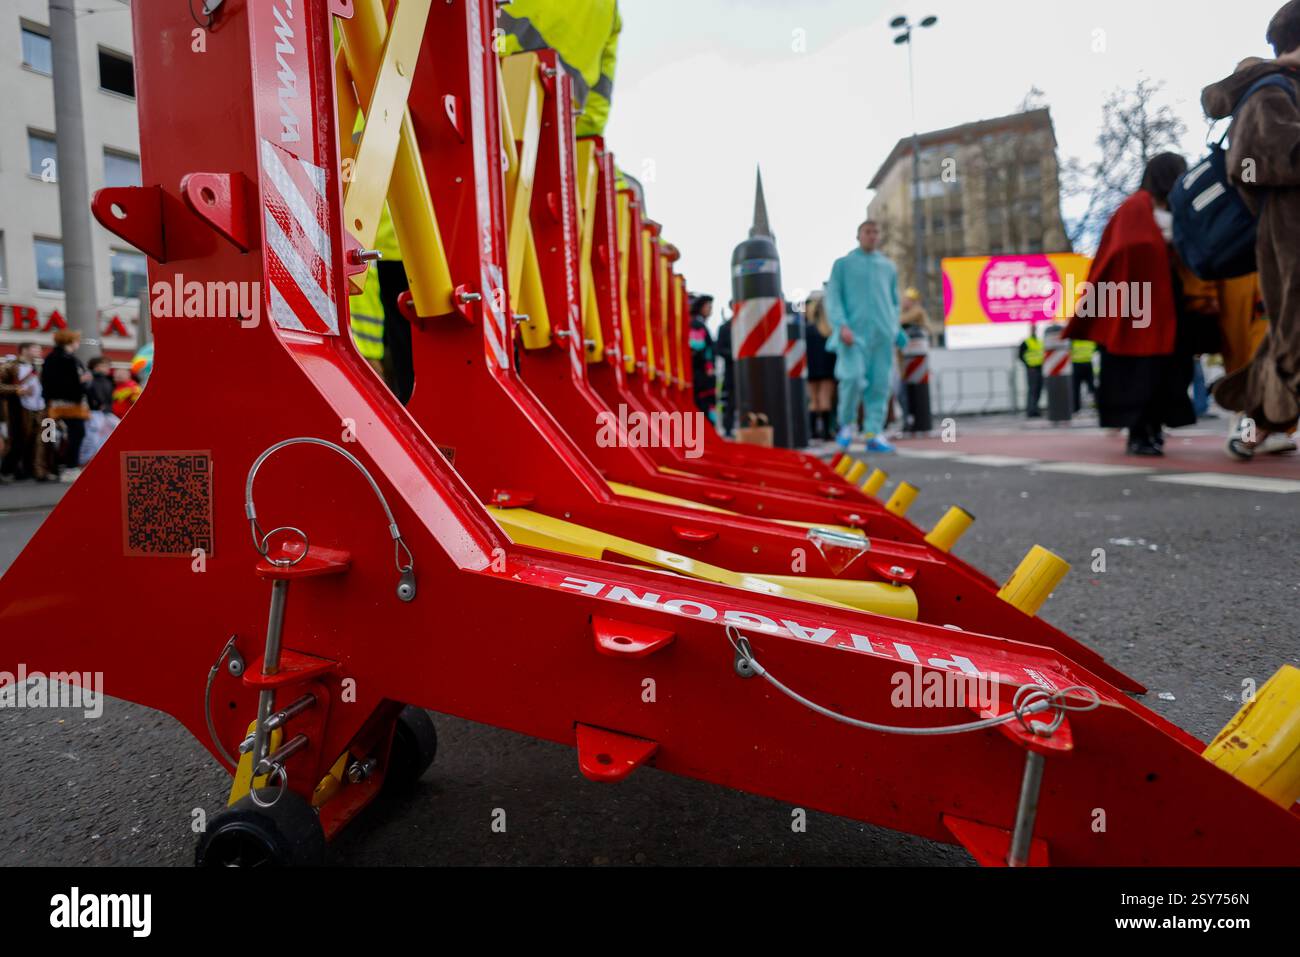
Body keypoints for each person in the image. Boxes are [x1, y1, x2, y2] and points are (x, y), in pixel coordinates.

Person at [1203, 2, 1300, 460]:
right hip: (1288, 235)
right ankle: (1254, 426)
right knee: (1292, 339)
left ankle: (1254, 427)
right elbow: (1256, 161)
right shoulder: (1269, 91)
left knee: (1289, 338)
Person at [1065, 154, 1196, 456]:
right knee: (1140, 371)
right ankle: (1140, 430)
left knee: (1167, 368)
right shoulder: (1135, 207)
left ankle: (1155, 426)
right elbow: (1127, 250)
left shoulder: (1173, 209)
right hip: (1137, 304)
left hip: (1166, 301)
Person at [824, 220, 904, 453]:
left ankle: (873, 432)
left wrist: (894, 329)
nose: (872, 236)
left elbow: (894, 302)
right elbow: (834, 298)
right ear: (858, 235)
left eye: (875, 232)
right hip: (853, 335)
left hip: (882, 335)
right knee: (852, 378)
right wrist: (841, 325)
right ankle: (846, 424)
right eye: (868, 232)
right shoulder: (843, 265)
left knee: (880, 384)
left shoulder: (888, 267)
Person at [41, 330, 92, 480]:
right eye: (76, 340)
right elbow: (63, 382)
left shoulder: (55, 358)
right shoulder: (64, 359)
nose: (78, 343)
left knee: (58, 436)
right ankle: (70, 467)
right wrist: (81, 381)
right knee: (75, 434)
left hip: (59, 403)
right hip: (68, 403)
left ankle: (60, 467)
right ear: (70, 342)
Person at [0, 343, 52, 482]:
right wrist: (17, 389)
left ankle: (33, 471)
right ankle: (6, 470)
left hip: (38, 408)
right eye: (35, 348)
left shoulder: (38, 367)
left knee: (38, 441)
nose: (39, 351)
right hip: (17, 408)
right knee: (18, 440)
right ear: (24, 350)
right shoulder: (10, 366)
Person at [804, 291, 837, 441]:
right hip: (827, 368)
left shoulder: (806, 330)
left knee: (813, 400)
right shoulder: (828, 331)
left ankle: (812, 432)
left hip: (811, 369)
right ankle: (825, 432)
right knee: (825, 399)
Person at [688, 294, 717, 420]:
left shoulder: (699, 323)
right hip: (701, 374)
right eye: (708, 306)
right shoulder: (696, 325)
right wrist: (708, 366)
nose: (710, 310)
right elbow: (697, 349)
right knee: (703, 404)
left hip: (702, 373)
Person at [715, 315, 736, 437]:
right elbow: (719, 348)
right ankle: (728, 428)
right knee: (730, 401)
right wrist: (733, 355)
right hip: (731, 371)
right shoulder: (725, 328)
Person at [1019, 324, 1045, 418]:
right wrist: (1028, 365)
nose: (1034, 330)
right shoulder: (1026, 342)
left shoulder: (1040, 341)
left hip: (1040, 368)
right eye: (1033, 328)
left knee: (1038, 389)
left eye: (1035, 328)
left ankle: (1035, 409)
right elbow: (1020, 356)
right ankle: (1031, 411)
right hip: (1032, 369)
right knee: (1032, 390)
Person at [1070, 338, 1097, 412]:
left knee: (1076, 388)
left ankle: (1076, 408)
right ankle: (1096, 404)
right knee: (1091, 387)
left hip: (1077, 365)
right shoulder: (1090, 340)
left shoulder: (1073, 341)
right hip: (1087, 365)